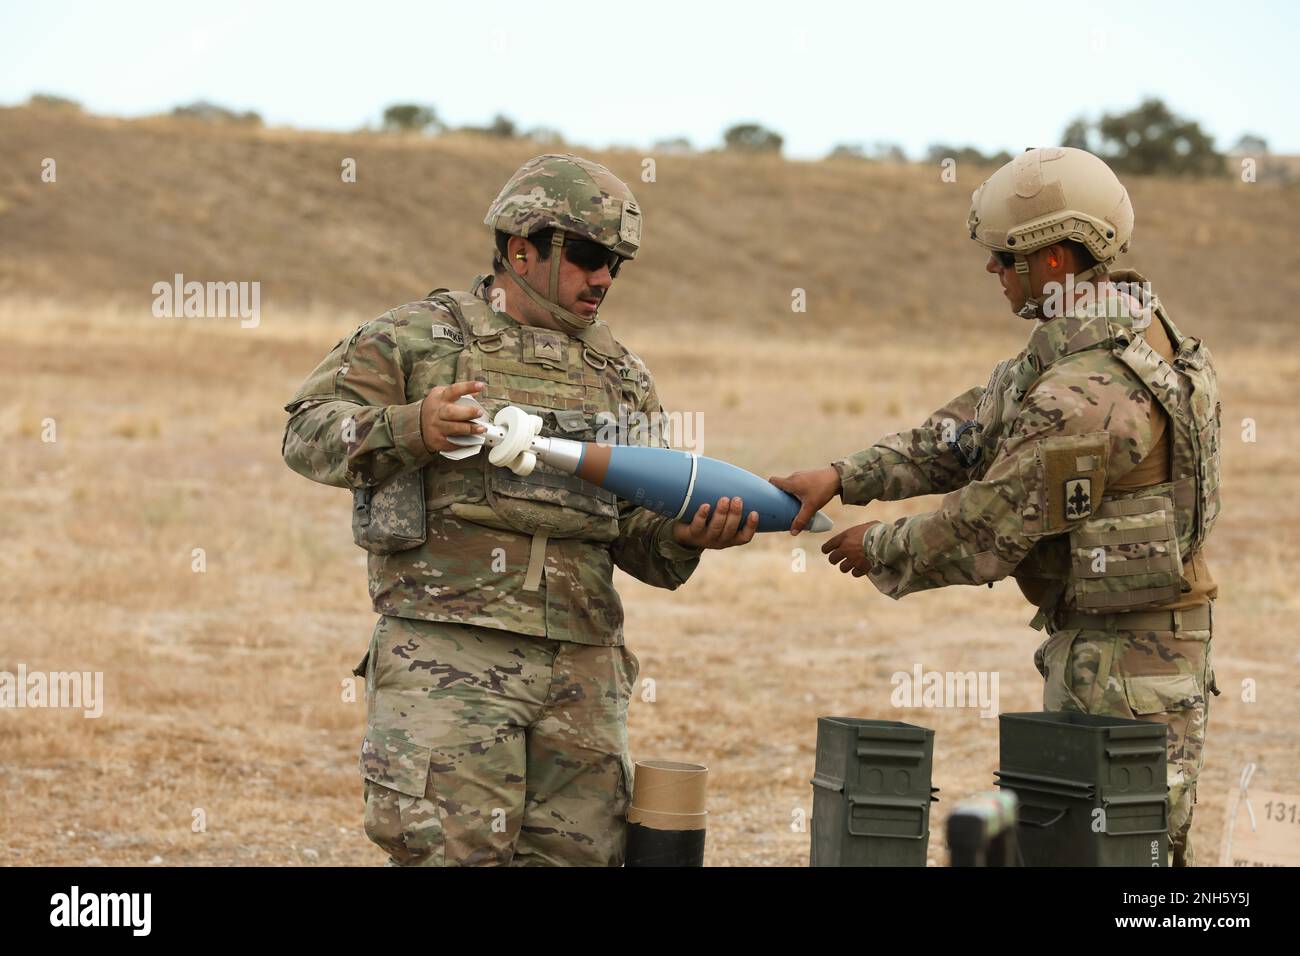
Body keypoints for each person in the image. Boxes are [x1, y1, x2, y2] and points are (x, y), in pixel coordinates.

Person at [282, 154, 756, 866]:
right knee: (452, 853)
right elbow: (306, 433)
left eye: (615, 264)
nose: (603, 279)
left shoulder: (621, 376)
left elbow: (637, 535)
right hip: (449, 657)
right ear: (520, 249)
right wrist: (412, 427)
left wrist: (685, 535)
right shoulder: (414, 337)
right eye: (589, 256)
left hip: (583, 666)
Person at [772, 147, 1221, 866]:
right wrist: (843, 474)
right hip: (1114, 650)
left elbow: (986, 529)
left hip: (1129, 666)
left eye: (1006, 256)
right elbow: (965, 435)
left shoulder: (1089, 393)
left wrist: (877, 545)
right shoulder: (1106, 341)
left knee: (1113, 859)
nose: (992, 269)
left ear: (1054, 260)